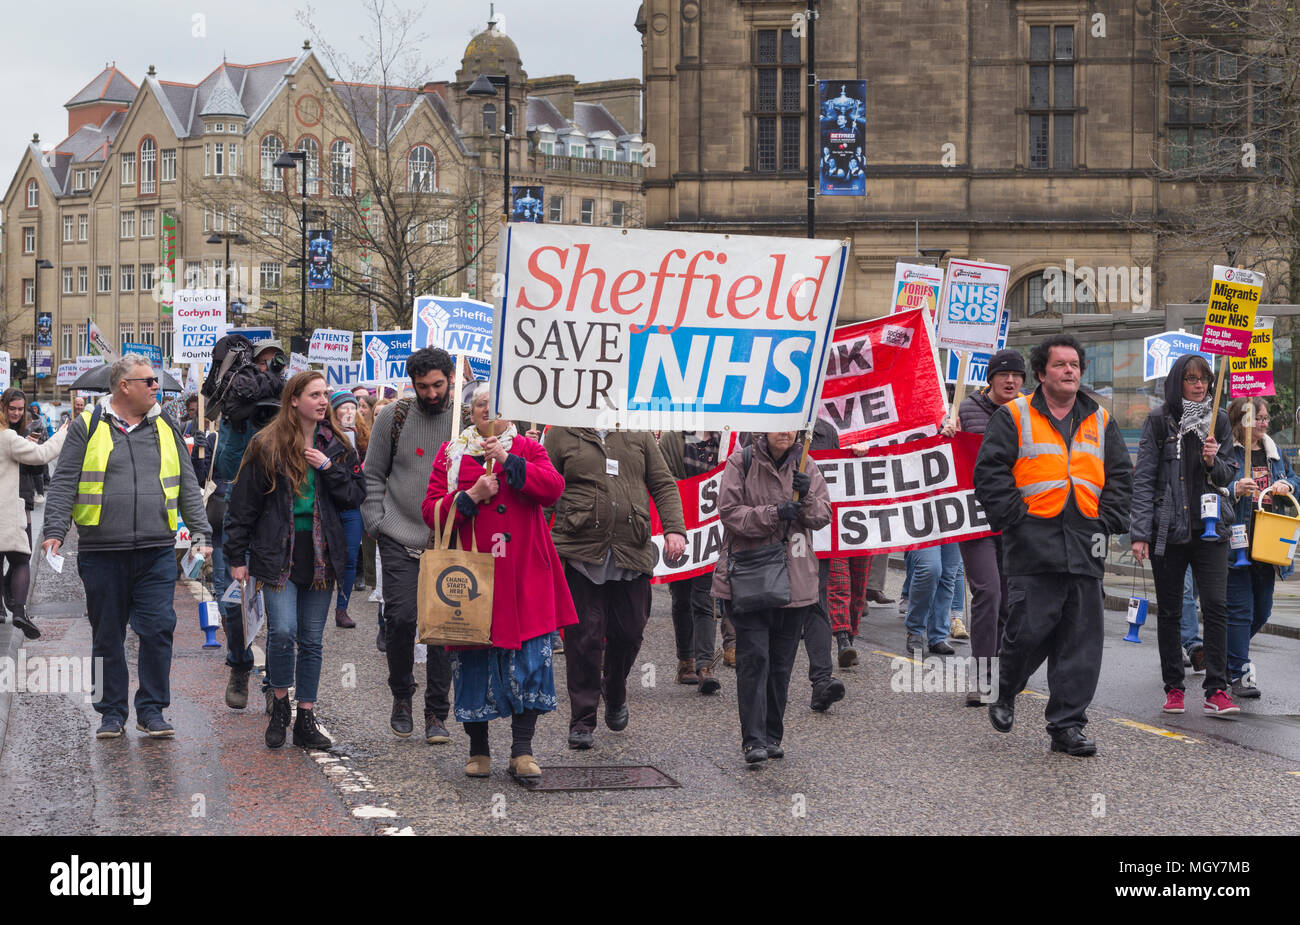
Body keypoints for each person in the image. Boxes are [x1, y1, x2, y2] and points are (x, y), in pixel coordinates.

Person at [975, 334, 1132, 757]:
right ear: (1042, 374)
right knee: (1027, 631)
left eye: (1075, 365)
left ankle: (1067, 726)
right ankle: (1005, 689)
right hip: (1032, 543)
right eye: (1061, 365)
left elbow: (1120, 476)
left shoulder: (1100, 418)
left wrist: (1108, 520)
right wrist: (1016, 520)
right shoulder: (1014, 416)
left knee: (1080, 640)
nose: (1069, 371)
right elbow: (990, 473)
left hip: (1087, 542)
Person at [42, 354, 213, 739]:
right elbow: (65, 481)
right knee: (107, 635)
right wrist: (54, 529)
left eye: (156, 381)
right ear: (124, 387)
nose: (156, 386)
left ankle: (151, 710)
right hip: (102, 552)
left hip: (155, 549)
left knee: (157, 629)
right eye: (149, 381)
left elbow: (188, 485)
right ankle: (111, 713)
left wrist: (201, 536)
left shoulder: (164, 425)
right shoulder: (87, 425)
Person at [422, 384, 577, 780]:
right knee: (474, 659)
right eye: (479, 404)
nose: (487, 409)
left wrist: (508, 461)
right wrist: (471, 495)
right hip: (472, 577)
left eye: (497, 405)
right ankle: (478, 749)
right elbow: (430, 510)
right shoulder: (451, 453)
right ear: (470, 412)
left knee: (529, 659)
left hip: (524, 571)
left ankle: (522, 749)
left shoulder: (528, 448)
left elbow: (553, 489)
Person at [225, 372, 365, 748]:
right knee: (283, 632)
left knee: (312, 639)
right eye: (314, 395)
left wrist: (328, 468)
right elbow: (243, 505)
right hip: (277, 553)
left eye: (324, 395)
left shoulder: (336, 445)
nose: (323, 401)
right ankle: (280, 703)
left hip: (321, 555)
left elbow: (355, 496)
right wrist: (236, 556)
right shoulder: (266, 444)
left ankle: (306, 716)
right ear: (294, 400)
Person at [543, 423, 686, 750]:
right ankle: (582, 718)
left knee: (630, 631)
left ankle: (615, 686)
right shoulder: (560, 432)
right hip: (579, 551)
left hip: (630, 550)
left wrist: (674, 529)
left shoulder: (639, 432)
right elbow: (547, 489)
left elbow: (663, 484)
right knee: (584, 638)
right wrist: (533, 536)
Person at [712, 430, 831, 765]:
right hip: (752, 578)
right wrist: (775, 513)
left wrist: (806, 498)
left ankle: (772, 735)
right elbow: (730, 513)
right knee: (755, 659)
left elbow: (823, 515)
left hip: (796, 582)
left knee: (781, 664)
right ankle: (753, 740)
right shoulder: (741, 462)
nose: (785, 432)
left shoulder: (807, 463)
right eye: (778, 424)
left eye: (790, 426)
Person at [1131, 353, 1239, 717]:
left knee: (1216, 607)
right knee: (1172, 612)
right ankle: (1174, 688)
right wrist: (1139, 533)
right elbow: (1144, 478)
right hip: (1168, 530)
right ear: (1177, 383)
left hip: (1211, 532)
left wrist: (1213, 460)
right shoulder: (1161, 421)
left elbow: (1228, 476)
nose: (1199, 385)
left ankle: (1217, 689)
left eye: (1204, 379)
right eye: (1191, 379)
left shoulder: (1219, 420)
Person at [363, 348, 458, 744]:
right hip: (400, 534)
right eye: (423, 387)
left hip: (449, 538)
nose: (432, 394)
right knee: (401, 619)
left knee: (444, 628)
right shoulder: (393, 417)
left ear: (452, 378)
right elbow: (372, 473)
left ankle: (437, 713)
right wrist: (375, 520)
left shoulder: (463, 423)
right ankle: (402, 695)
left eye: (438, 385)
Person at [212, 339, 287, 712]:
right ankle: (239, 665)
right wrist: (243, 420)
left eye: (275, 363)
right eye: (261, 363)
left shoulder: (287, 408)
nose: (267, 369)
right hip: (234, 507)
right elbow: (225, 466)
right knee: (233, 602)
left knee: (278, 604)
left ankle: (276, 685)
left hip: (274, 510)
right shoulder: (235, 407)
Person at [956, 349, 1024, 704]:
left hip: (1013, 519)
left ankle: (1002, 674)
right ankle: (981, 678)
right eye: (1003, 374)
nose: (1010, 381)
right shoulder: (964, 410)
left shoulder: (1028, 411)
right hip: (974, 516)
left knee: (1010, 601)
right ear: (991, 378)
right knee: (989, 592)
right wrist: (946, 432)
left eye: (1016, 375)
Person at [1224, 396, 1300, 699]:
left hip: (1270, 544)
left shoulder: (1274, 452)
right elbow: (1210, 485)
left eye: (1266, 417)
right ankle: (1240, 671)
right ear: (1243, 420)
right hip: (1237, 542)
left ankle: (1227, 650)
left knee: (1263, 609)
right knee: (1240, 609)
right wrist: (1233, 489)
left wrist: (1288, 486)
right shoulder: (1227, 451)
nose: (1266, 423)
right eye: (1260, 418)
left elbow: (1295, 479)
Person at [658, 430, 726, 694]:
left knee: (705, 595)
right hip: (680, 525)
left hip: (711, 528)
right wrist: (696, 490)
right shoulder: (671, 439)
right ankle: (685, 660)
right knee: (681, 596)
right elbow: (663, 479)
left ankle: (704, 665)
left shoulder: (725, 438)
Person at [0, 388, 67, 638]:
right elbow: (42, 456)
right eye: (12, 409)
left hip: (12, 506)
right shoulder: (7, 437)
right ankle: (19, 611)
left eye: (20, 409)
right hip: (8, 510)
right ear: (3, 408)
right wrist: (62, 434)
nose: (16, 413)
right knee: (20, 559)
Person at [329, 390, 368, 628]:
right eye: (343, 408)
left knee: (351, 558)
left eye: (351, 408)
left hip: (352, 506)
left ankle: (342, 608)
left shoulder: (364, 437)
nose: (348, 412)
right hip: (331, 505)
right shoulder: (325, 436)